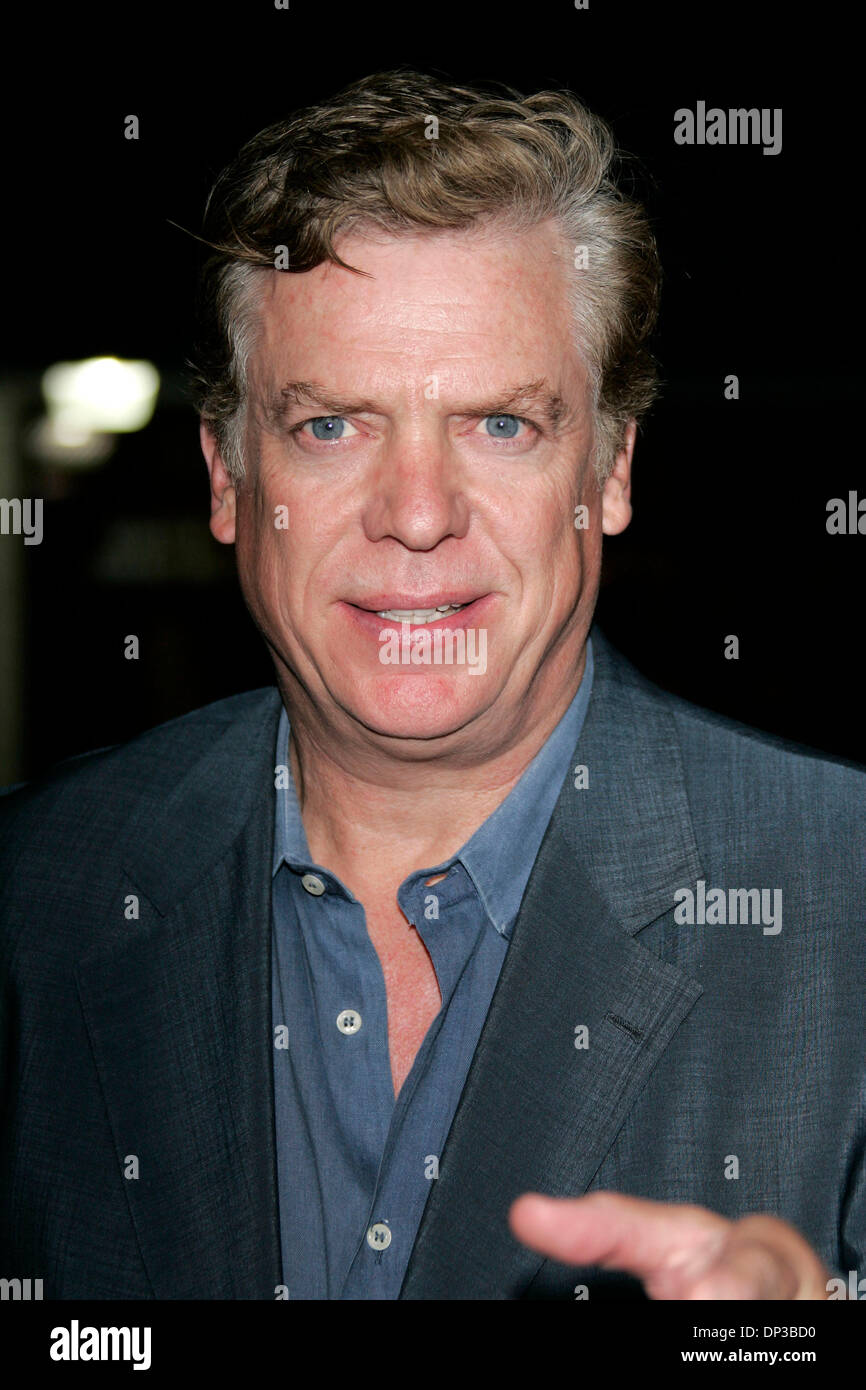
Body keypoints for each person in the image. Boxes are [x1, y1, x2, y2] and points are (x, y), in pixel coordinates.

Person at [1, 69, 862, 1301]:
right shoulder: (35, 897)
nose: (416, 515)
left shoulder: (844, 903)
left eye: (499, 425)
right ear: (228, 479)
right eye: (333, 426)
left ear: (610, 470)